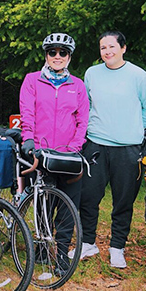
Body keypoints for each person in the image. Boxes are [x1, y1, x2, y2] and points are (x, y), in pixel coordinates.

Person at [79, 31, 146, 269]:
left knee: (123, 200)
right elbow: (87, 105)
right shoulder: (91, 74)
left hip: (128, 148)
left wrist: (133, 127)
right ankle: (87, 242)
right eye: (103, 47)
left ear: (123, 48)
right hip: (95, 144)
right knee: (88, 196)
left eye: (112, 47)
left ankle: (117, 247)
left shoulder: (139, 76)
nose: (107, 52)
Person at [18, 33, 89, 278]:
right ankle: (40, 246)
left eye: (63, 53)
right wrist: (29, 139)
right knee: (42, 203)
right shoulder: (31, 80)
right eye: (53, 52)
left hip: (69, 154)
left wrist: (75, 146)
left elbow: (83, 119)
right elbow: (27, 112)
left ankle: (61, 256)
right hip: (40, 152)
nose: (57, 57)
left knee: (68, 207)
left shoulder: (77, 85)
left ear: (69, 56)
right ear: (46, 55)